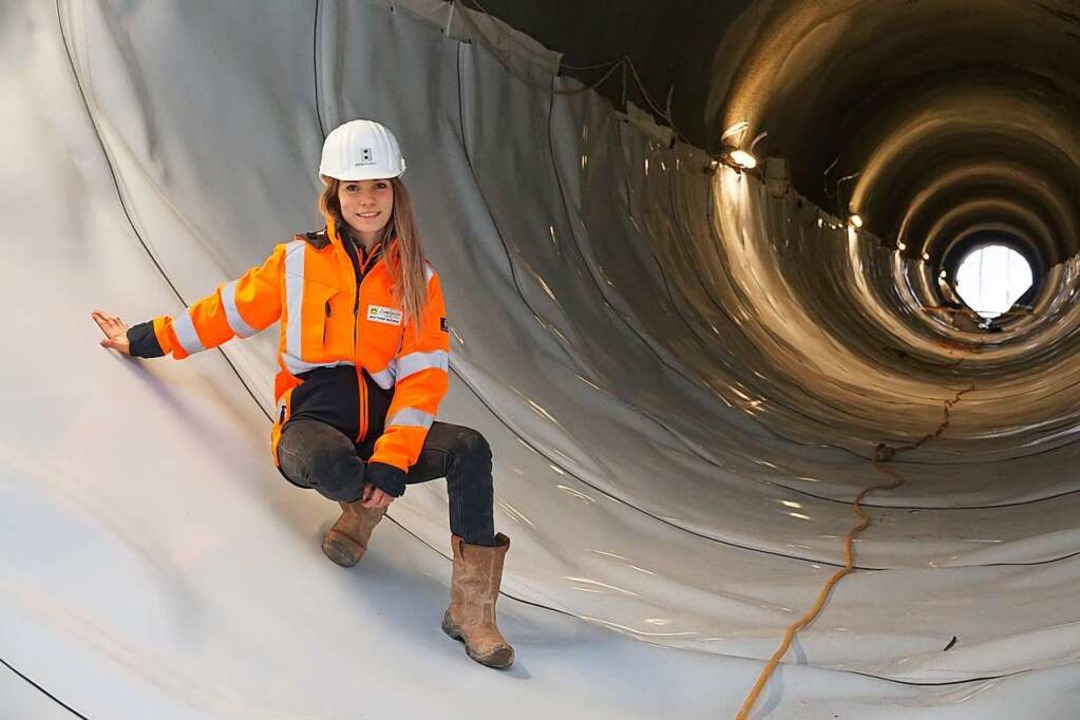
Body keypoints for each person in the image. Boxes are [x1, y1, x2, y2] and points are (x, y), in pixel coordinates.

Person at [91, 119, 514, 669]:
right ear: (334, 193)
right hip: (311, 427)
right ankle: (358, 510)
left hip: (382, 430)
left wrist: (393, 458)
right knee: (335, 465)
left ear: (396, 192)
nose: (367, 200)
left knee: (471, 448)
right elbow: (225, 312)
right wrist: (144, 338)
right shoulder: (297, 262)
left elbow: (422, 377)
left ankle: (472, 613)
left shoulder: (419, 279)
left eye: (379, 186)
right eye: (354, 187)